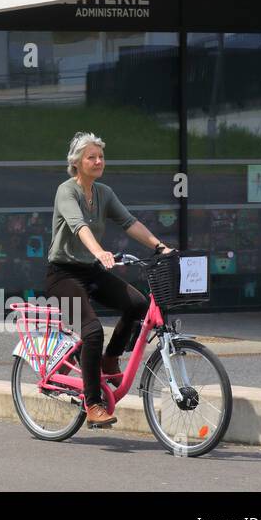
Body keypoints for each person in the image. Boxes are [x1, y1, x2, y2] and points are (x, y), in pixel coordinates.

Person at [46, 131, 172, 427]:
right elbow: (78, 226)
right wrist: (100, 251)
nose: (98, 161)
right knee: (92, 331)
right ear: (76, 162)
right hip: (63, 273)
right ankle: (93, 404)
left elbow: (129, 222)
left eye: (101, 156)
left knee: (138, 304)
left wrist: (159, 246)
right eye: (91, 157)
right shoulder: (67, 191)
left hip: (91, 270)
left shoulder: (104, 193)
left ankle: (109, 359)